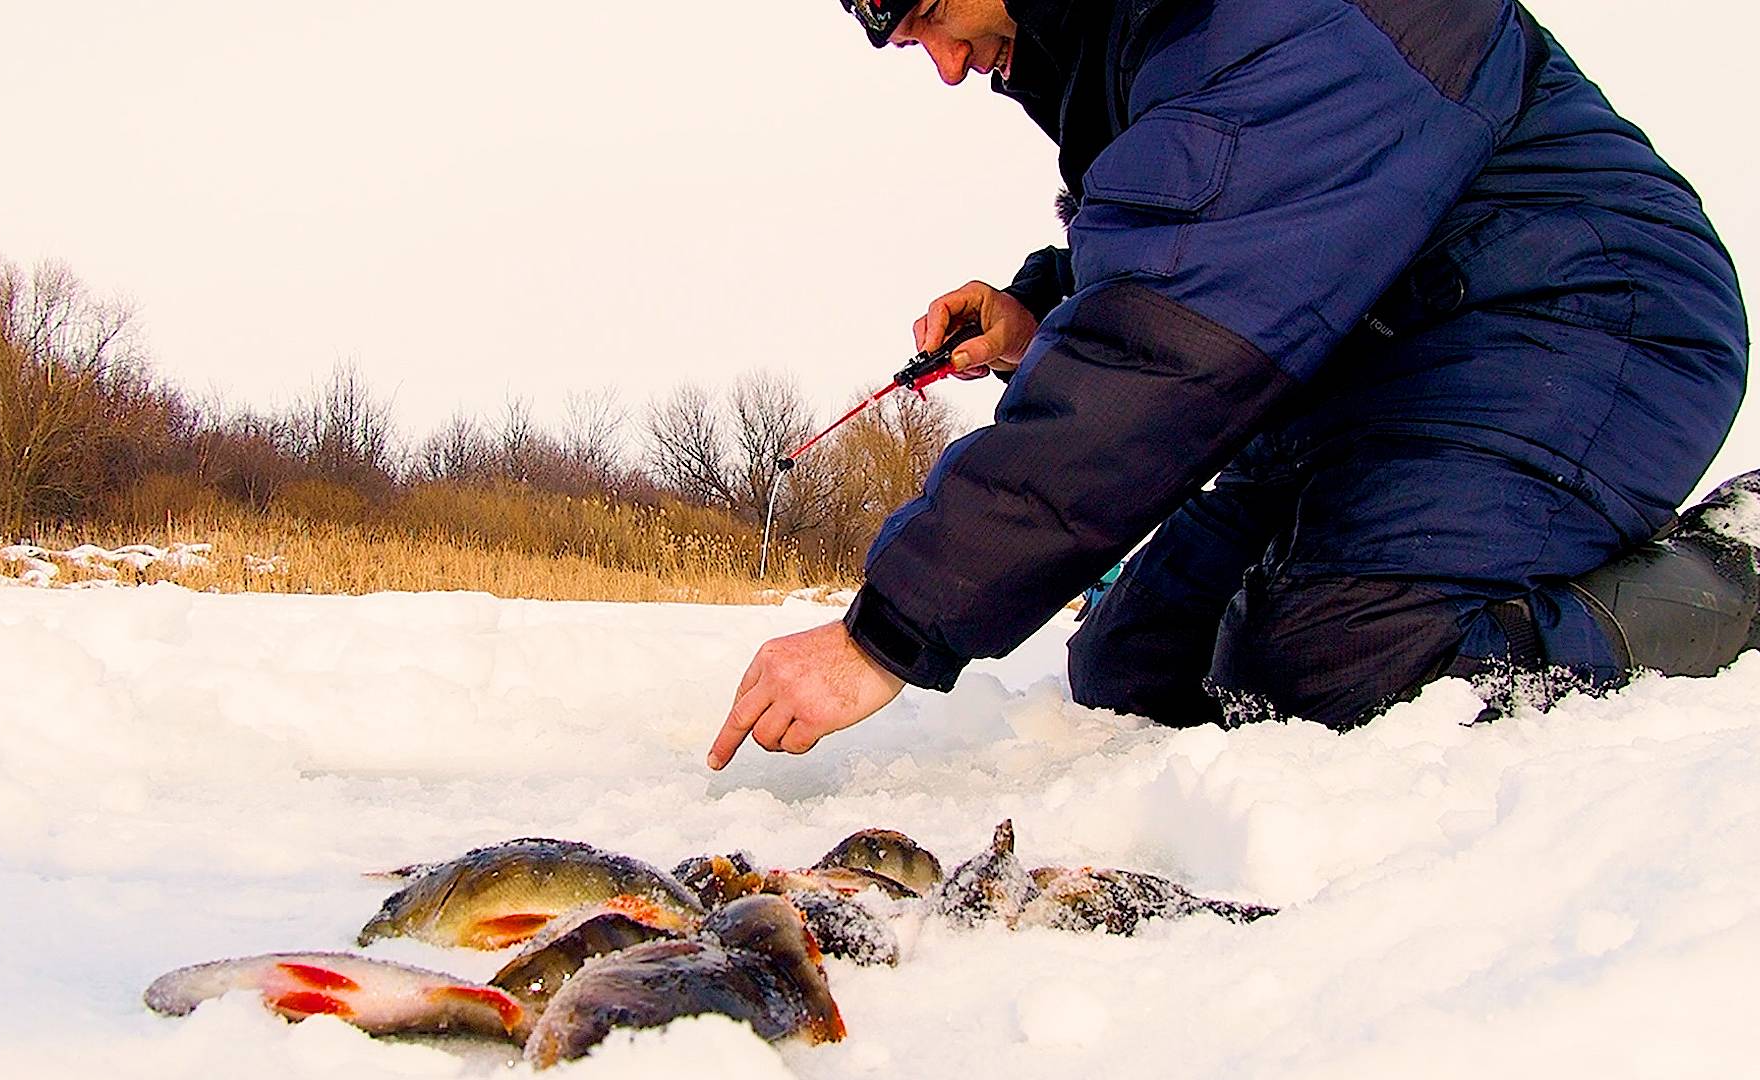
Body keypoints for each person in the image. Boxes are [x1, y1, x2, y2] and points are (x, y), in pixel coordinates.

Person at [706, 0, 1755, 770]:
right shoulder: (1139, 37)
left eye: (932, 18)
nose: (942, 67)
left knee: (1336, 662)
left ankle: (1726, 576)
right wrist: (1044, 310)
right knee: (1135, 665)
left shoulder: (1274, 12)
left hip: (1576, 320)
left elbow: (1178, 333)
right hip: (1371, 375)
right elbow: (1227, 238)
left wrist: (891, 629)